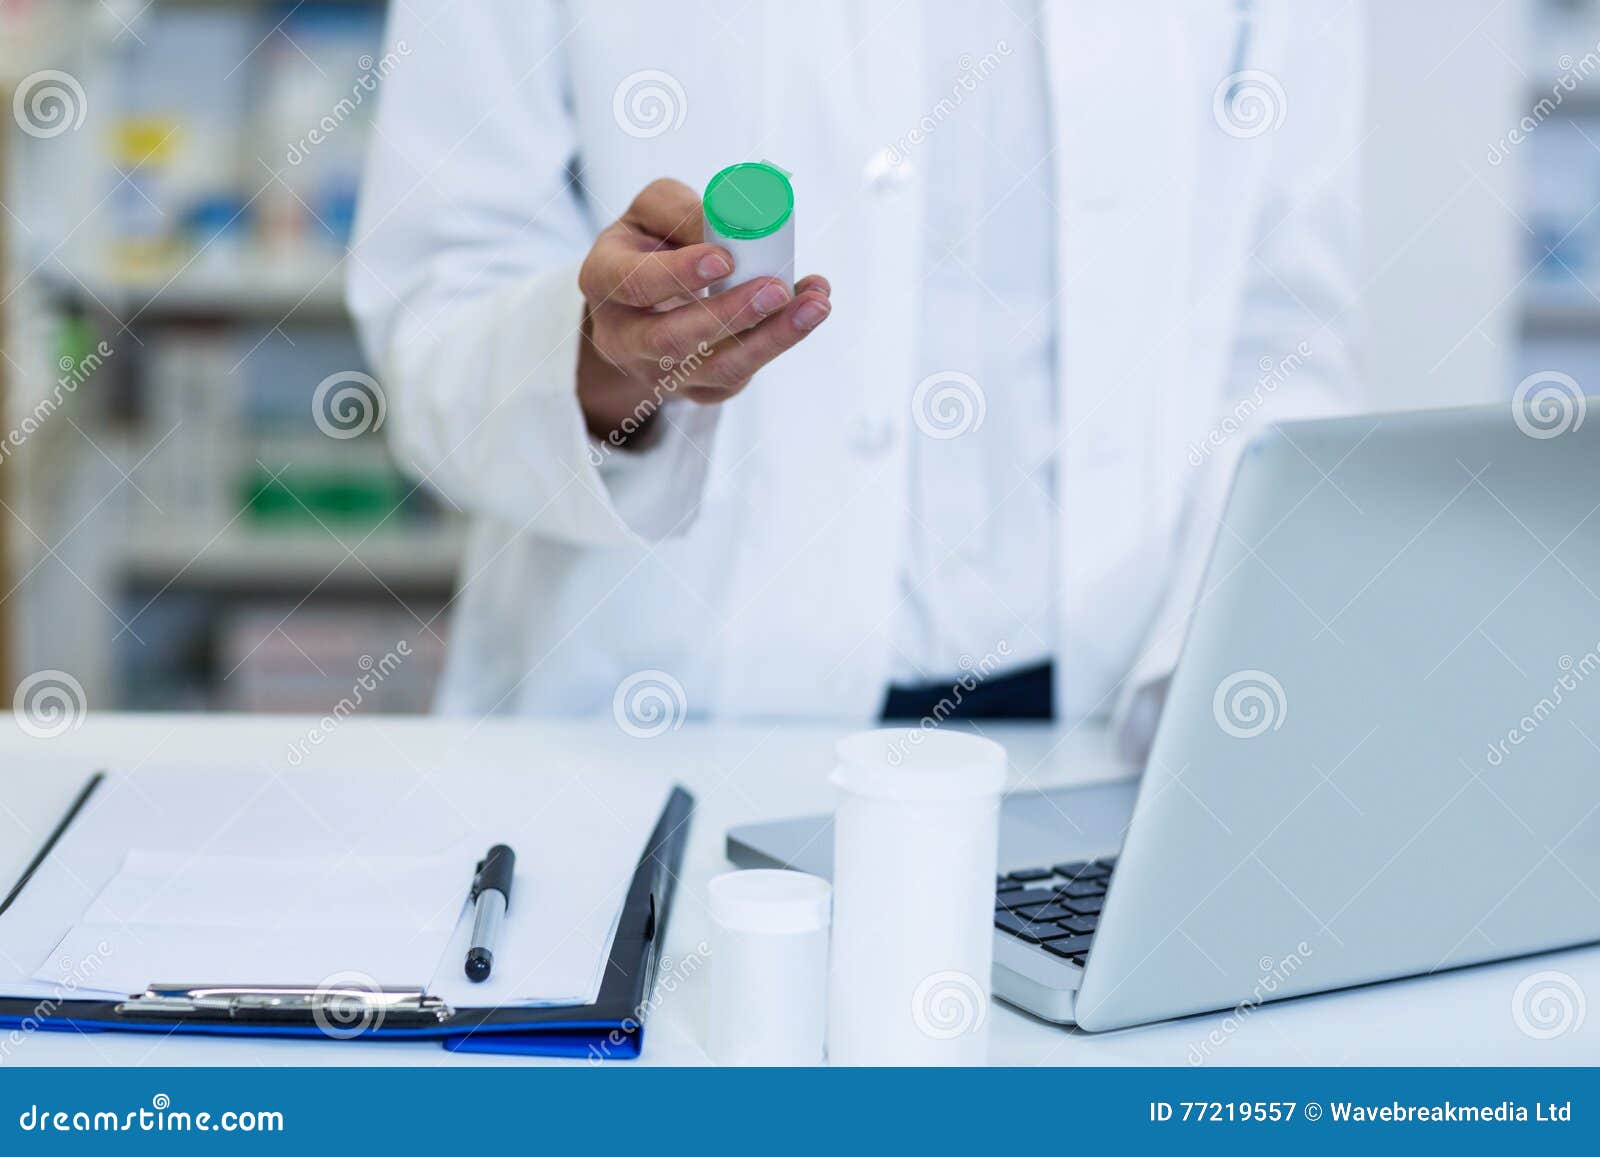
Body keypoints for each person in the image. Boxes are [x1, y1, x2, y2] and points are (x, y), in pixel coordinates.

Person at [349, 1, 1364, 749]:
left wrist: (1221, 703)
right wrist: (613, 366)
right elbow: (436, 323)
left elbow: (1281, 338)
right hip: (672, 716)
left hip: (1108, 724)